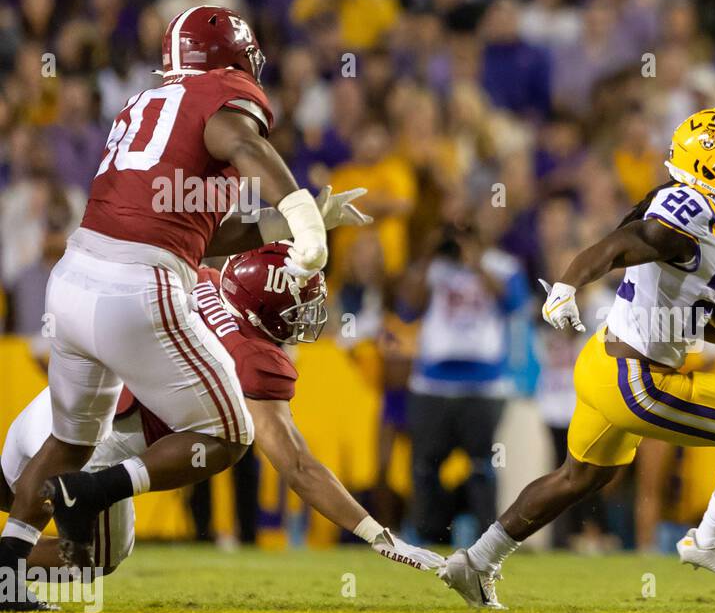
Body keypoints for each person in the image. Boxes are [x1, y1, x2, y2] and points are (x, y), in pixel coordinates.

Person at [0, 6, 331, 610]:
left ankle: (5, 568)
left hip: (75, 278)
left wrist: (280, 220)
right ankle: (90, 491)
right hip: (138, 284)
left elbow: (199, 229)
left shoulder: (146, 105)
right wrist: (304, 214)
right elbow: (243, 142)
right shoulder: (219, 102)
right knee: (228, 432)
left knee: (71, 440)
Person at [437, 107, 715, 608]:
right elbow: (625, 244)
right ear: (708, 165)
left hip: (608, 362)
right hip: (637, 379)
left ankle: (476, 562)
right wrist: (567, 283)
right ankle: (713, 539)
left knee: (579, 476)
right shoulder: (693, 210)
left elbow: (692, 316)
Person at [0, 243, 440, 581]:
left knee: (17, 503)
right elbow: (298, 466)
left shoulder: (205, 278)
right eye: (297, 310)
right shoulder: (254, 357)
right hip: (96, 448)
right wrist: (377, 536)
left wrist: (305, 228)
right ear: (265, 308)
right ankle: (71, 511)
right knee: (93, 560)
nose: (306, 320)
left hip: (54, 415)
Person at [404, 220, 528, 546]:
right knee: (426, 466)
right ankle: (428, 537)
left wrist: (478, 265)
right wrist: (429, 256)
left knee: (481, 466)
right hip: (433, 382)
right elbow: (407, 308)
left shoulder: (503, 266)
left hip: (484, 383)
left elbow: (515, 305)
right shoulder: (434, 267)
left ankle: (487, 540)